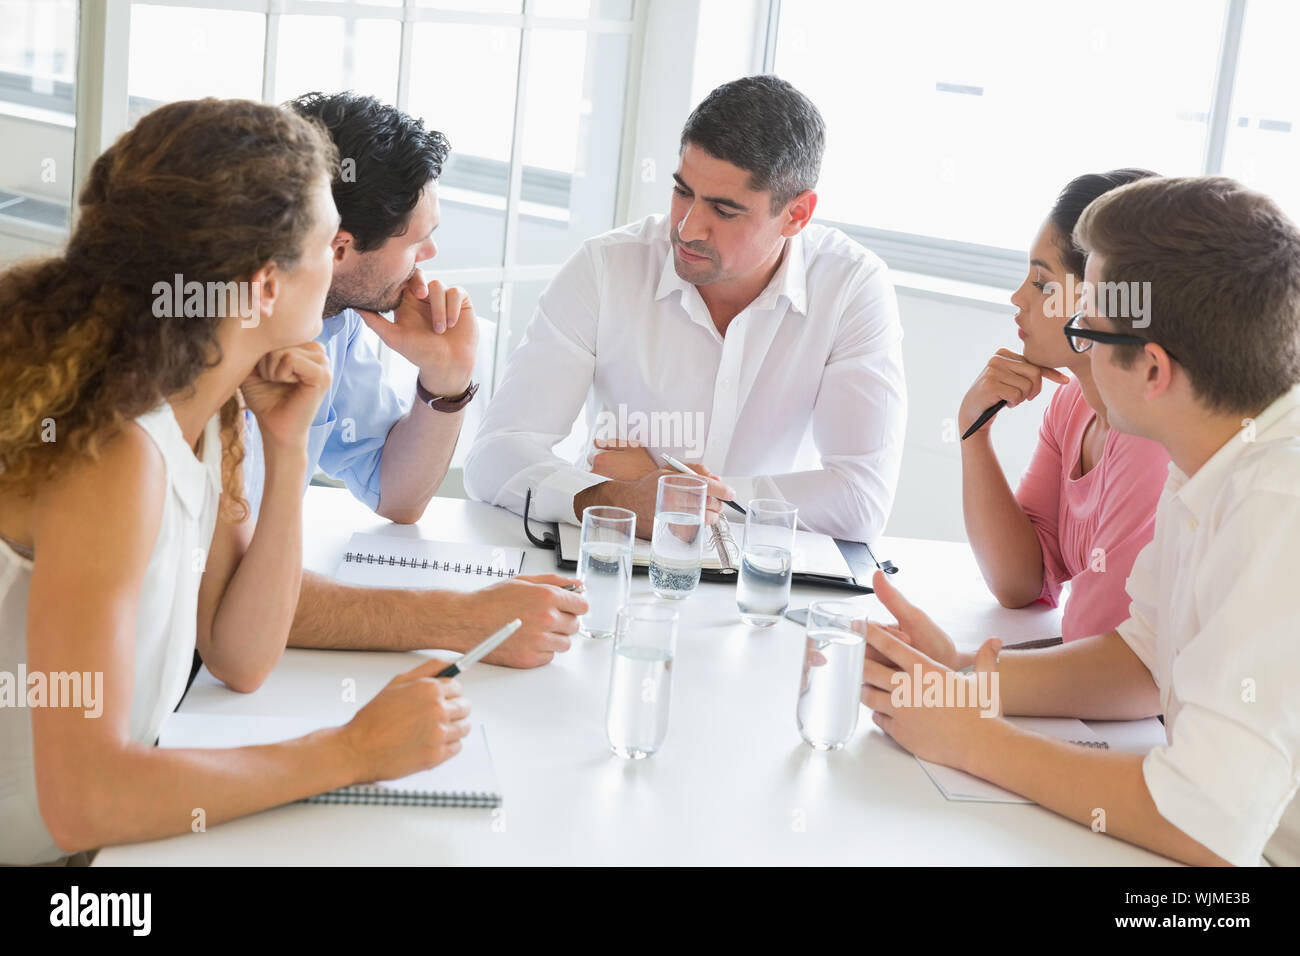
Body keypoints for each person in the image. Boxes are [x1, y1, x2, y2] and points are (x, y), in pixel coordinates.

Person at [0, 99, 469, 865]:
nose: (337, 262)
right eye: (326, 243)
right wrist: (350, 751)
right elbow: (87, 800)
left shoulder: (209, 408)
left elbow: (241, 654)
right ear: (262, 287)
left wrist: (287, 454)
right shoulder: (118, 453)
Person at [861, 175, 1300, 867]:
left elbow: (1205, 825)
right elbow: (1139, 660)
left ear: (1153, 369)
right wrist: (958, 679)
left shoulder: (1280, 504)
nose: (1077, 348)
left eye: (1087, 328)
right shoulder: (1207, 449)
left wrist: (969, 737)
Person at [463, 75, 907, 543]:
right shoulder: (606, 267)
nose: (689, 229)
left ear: (796, 214)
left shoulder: (852, 287)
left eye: (724, 210)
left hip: (760, 576)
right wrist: (616, 497)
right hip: (615, 557)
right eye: (682, 192)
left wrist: (674, 493)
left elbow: (861, 501)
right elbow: (494, 457)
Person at [236, 92, 585, 667]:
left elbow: (396, 497)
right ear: (339, 248)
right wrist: (464, 620)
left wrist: (445, 383)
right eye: (415, 241)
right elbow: (229, 591)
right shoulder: (200, 344)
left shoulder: (334, 321)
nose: (430, 254)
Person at [958, 170, 1169, 642]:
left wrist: (960, 678)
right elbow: (1021, 583)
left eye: (1043, 284)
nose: (1018, 299)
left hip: (1150, 713)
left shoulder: (1150, 436)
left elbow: (1099, 642)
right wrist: (974, 434)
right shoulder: (1073, 403)